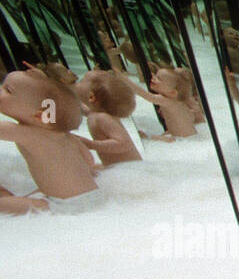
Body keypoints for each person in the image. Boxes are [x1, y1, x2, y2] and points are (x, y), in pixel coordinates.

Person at [0, 67, 98, 214]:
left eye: (8, 90)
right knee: (36, 194)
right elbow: (89, 160)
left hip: (66, 206)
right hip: (94, 196)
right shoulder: (65, 134)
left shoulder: (27, 134)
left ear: (39, 115)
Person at [72, 69, 142, 166]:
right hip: (120, 169)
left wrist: (91, 144)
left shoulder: (103, 118)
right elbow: (81, 108)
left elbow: (124, 143)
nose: (77, 83)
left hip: (130, 170)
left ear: (92, 97)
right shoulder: (94, 113)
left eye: (81, 81)